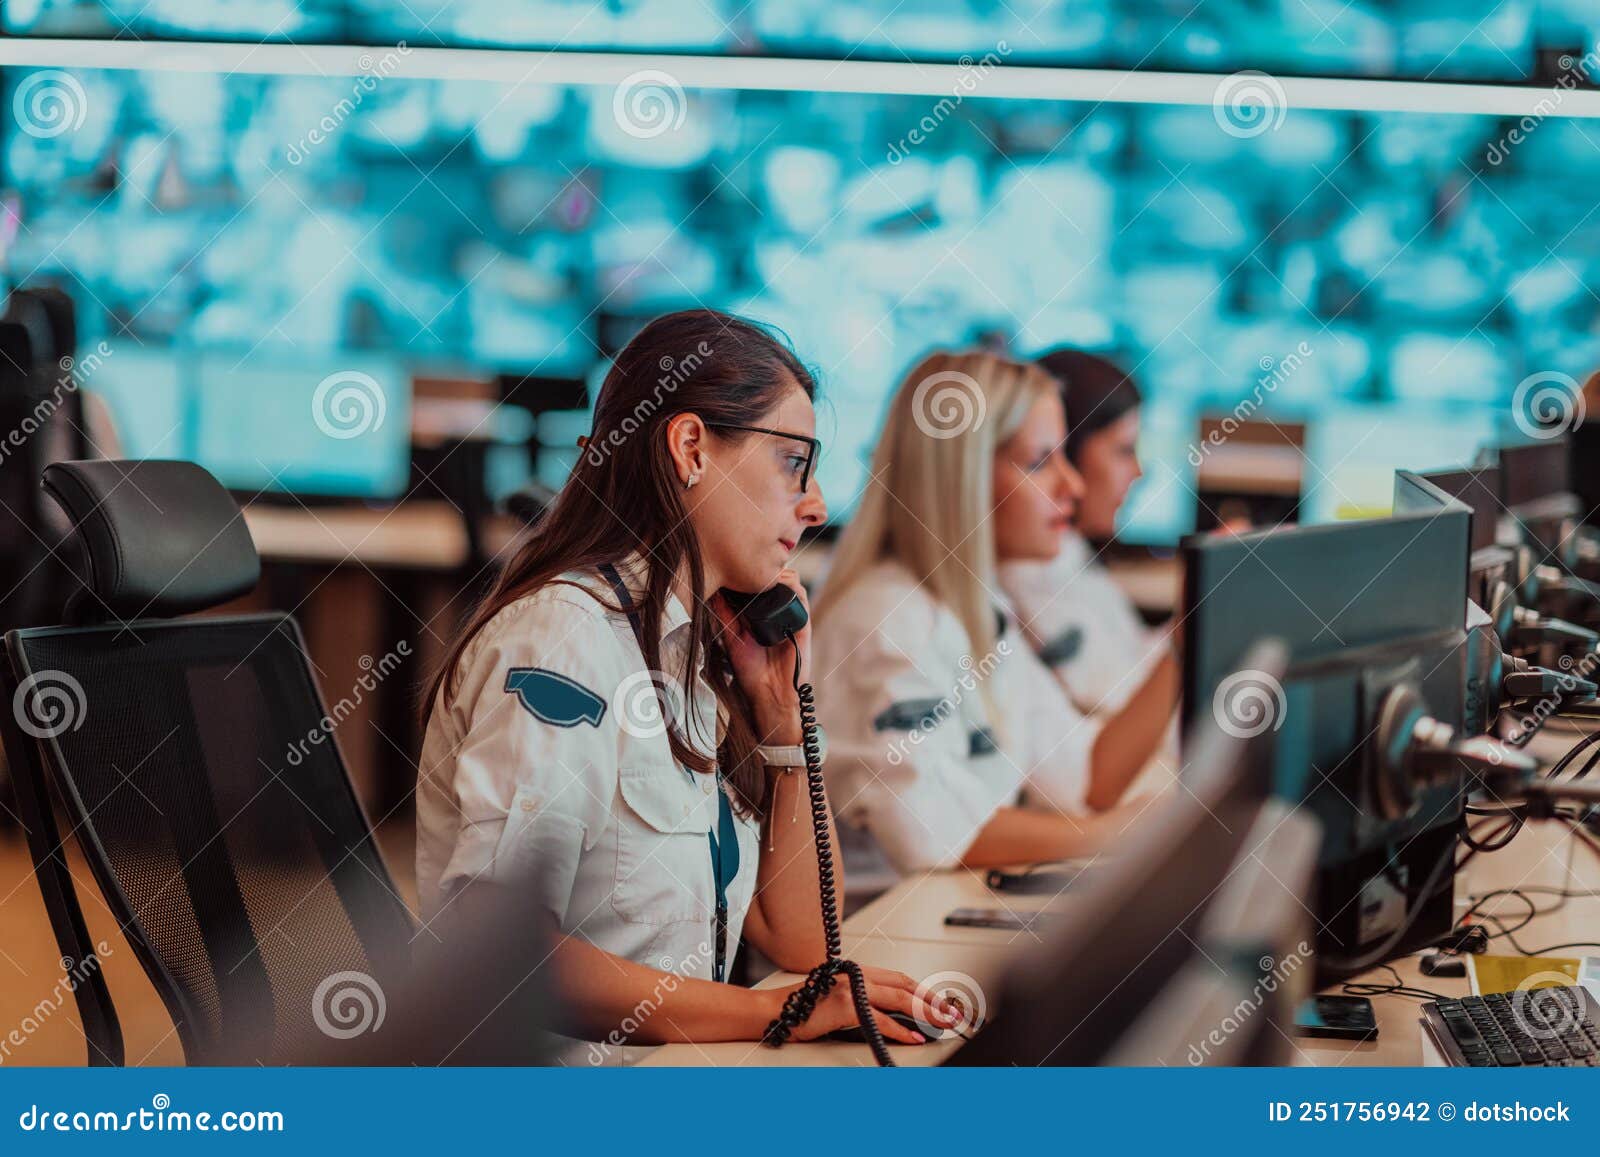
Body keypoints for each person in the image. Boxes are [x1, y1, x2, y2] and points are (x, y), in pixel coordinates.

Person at [414, 309, 957, 1060]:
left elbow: (799, 936)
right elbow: (504, 961)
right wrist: (771, 1013)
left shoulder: (693, 651)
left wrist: (783, 728)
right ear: (692, 447)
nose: (817, 503)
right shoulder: (564, 641)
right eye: (793, 462)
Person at [812, 350, 1177, 877]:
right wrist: (1108, 835)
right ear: (963, 477)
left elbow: (1086, 779)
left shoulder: (979, 608)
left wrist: (1188, 637)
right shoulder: (888, 618)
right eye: (1039, 463)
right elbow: (929, 834)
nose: (1071, 486)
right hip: (884, 933)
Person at [997, 348, 1179, 722]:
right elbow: (1119, 705)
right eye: (1123, 451)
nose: (1138, 472)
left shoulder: (1070, 552)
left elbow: (1128, 665)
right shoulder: (1033, 572)